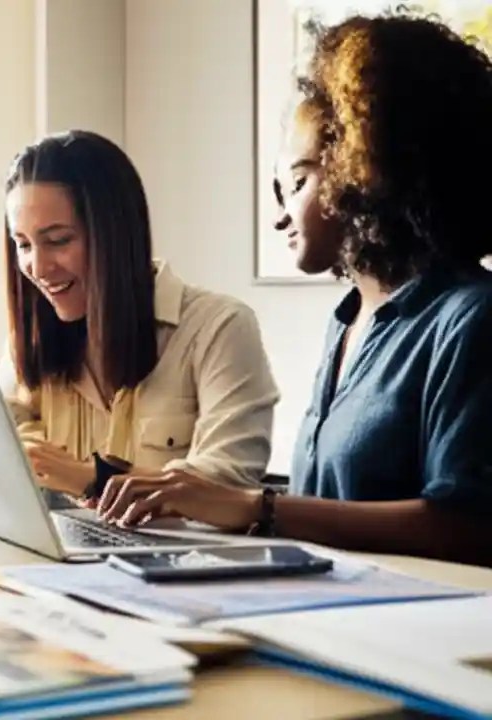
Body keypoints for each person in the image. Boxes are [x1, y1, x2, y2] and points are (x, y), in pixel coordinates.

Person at [95, 12, 492, 567]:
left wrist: (258, 507)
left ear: (368, 170)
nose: (280, 216)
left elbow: (470, 526)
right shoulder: (348, 320)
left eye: (298, 183)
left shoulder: (470, 317)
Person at [0, 131, 279, 498]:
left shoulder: (219, 328)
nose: (37, 267)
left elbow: (228, 484)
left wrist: (91, 478)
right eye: (23, 245)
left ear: (115, 234)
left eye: (58, 240)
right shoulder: (34, 340)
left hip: (182, 555)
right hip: (64, 554)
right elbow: (1, 432)